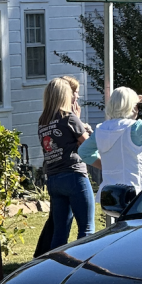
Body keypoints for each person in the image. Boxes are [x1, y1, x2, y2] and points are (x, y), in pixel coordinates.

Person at [78, 87, 142, 197]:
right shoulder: (136, 128)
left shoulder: (101, 129)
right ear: (132, 107)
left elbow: (84, 152)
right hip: (137, 189)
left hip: (110, 190)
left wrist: (106, 167)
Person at [34, 74, 92, 257]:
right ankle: (85, 264)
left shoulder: (43, 122)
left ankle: (54, 266)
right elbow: (88, 145)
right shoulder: (69, 118)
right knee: (87, 228)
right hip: (74, 176)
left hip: (54, 179)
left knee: (60, 232)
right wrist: (84, 126)